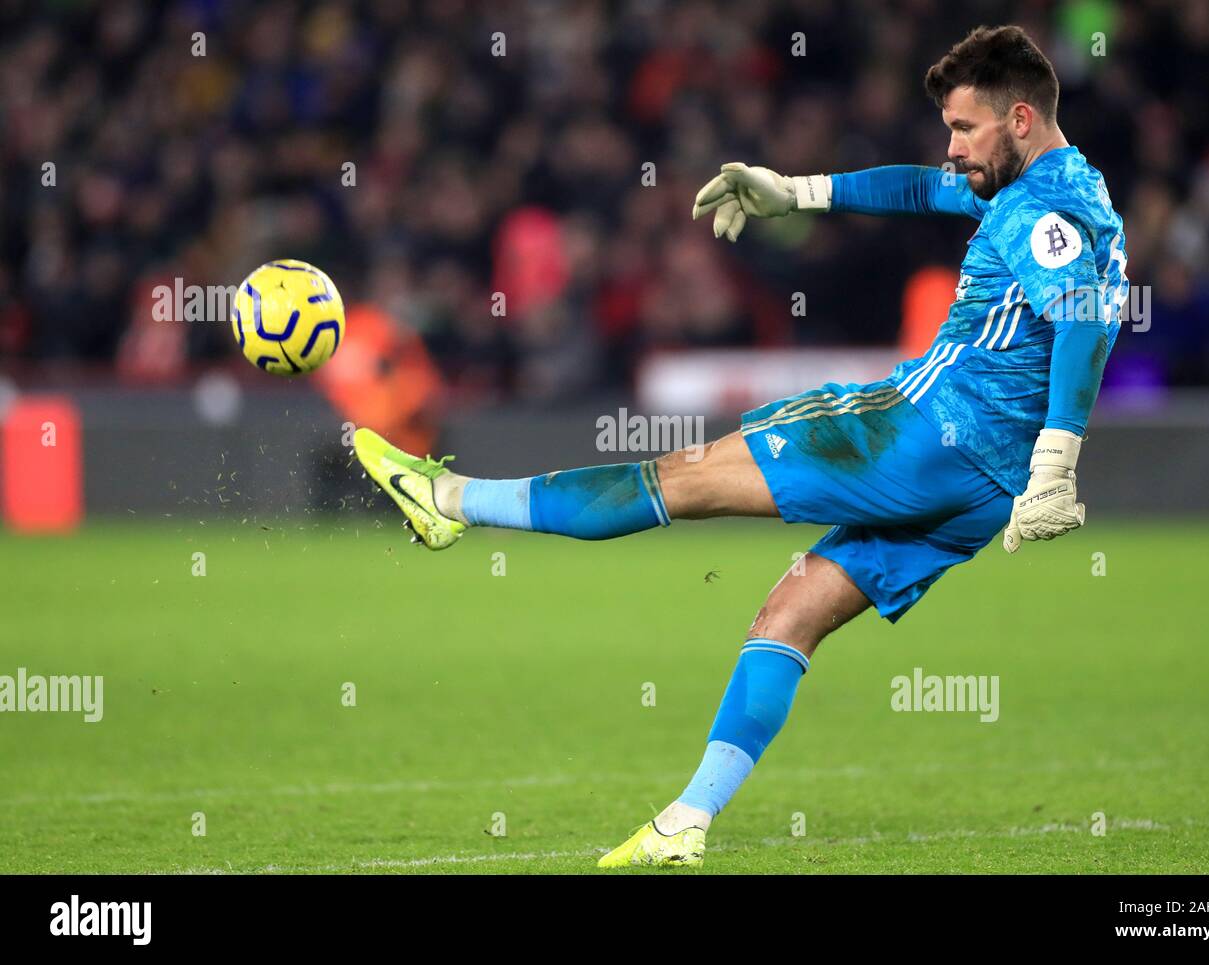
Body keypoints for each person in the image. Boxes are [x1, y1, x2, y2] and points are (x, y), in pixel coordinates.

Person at [353, 24, 1130, 868]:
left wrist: (1062, 455)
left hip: (915, 435)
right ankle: (687, 820)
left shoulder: (1041, 209)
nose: (951, 149)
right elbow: (922, 190)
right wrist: (792, 192)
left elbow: (1084, 316)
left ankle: (451, 502)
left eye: (965, 128)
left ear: (1020, 118)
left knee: (675, 478)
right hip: (980, 487)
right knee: (789, 614)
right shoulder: (1056, 188)